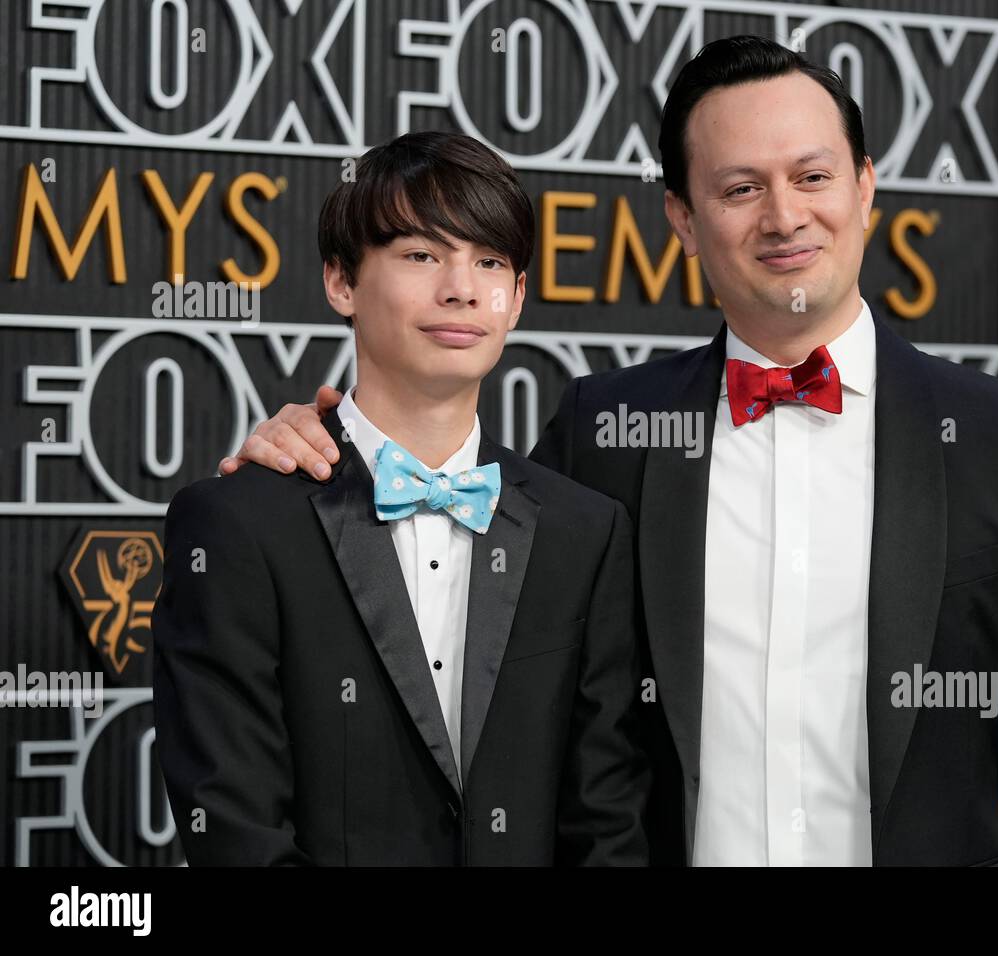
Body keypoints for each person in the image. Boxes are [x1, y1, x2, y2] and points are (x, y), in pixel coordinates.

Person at [223, 36, 998, 866]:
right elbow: (431, 517)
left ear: (865, 185)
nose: (784, 217)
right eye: (740, 189)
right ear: (682, 218)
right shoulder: (602, 432)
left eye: (812, 177)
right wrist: (317, 445)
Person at [152, 131, 650, 865]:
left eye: (490, 262)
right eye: (421, 255)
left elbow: (607, 822)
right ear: (341, 282)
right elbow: (235, 825)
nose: (461, 288)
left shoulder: (584, 530)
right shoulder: (236, 524)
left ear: (516, 299)